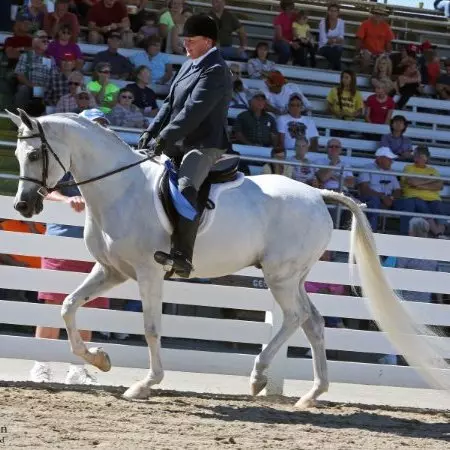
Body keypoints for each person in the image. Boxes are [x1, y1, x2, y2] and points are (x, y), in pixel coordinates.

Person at [137, 14, 232, 278]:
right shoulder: (189, 64)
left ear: (208, 41)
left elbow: (193, 111)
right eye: (185, 39)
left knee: (185, 186)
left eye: (191, 40)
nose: (186, 44)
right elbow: (169, 104)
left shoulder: (216, 70)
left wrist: (164, 138)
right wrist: (151, 131)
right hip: (179, 140)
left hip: (204, 144)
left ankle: (182, 255)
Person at [30, 110, 110, 385]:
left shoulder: (109, 165)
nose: (98, 131)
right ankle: (42, 365)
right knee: (53, 302)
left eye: (101, 127)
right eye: (93, 125)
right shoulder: (61, 160)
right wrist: (66, 200)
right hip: (61, 238)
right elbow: (42, 189)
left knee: (89, 305)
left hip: (97, 242)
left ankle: (78, 368)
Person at [398, 145, 445, 237]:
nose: (417, 158)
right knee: (422, 206)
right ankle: (438, 233)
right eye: (416, 156)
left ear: (426, 158)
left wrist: (420, 184)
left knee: (439, 208)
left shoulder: (433, 170)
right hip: (415, 197)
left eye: (421, 156)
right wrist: (430, 180)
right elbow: (412, 182)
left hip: (433, 198)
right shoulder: (408, 168)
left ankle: (440, 235)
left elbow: (440, 185)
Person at [357, 146, 402, 231]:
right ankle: (371, 232)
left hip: (389, 199)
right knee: (374, 201)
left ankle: (407, 234)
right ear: (380, 159)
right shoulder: (367, 168)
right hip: (371, 199)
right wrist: (382, 197)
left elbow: (398, 190)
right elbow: (364, 189)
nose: (391, 162)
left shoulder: (391, 171)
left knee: (406, 204)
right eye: (389, 159)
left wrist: (391, 198)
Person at [14, 30, 53, 109]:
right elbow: (20, 75)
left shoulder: (51, 59)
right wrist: (32, 86)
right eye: (42, 38)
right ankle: (18, 116)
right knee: (23, 89)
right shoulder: (26, 56)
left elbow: (54, 78)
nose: (46, 40)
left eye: (47, 38)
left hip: (45, 90)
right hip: (29, 87)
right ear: (34, 41)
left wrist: (46, 88)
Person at [356, 5, 394, 74]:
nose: (378, 15)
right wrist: (359, 51)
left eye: (380, 14)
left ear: (383, 16)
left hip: (380, 53)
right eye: (376, 13)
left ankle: (385, 80)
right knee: (366, 57)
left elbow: (388, 43)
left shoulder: (386, 27)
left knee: (388, 61)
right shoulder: (365, 24)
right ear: (373, 14)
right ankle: (364, 76)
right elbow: (359, 40)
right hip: (366, 51)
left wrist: (387, 54)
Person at [318, 2, 344, 71]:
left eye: (335, 11)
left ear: (338, 13)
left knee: (338, 49)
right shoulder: (323, 22)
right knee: (336, 53)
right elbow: (324, 41)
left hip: (336, 47)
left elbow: (341, 38)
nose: (333, 13)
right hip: (324, 47)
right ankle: (338, 70)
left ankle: (331, 68)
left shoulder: (341, 22)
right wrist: (335, 39)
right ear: (328, 12)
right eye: (331, 11)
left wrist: (331, 39)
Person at [273, 0, 295, 64]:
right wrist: (291, 43)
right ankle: (280, 68)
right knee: (286, 49)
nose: (292, 10)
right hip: (279, 42)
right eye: (290, 8)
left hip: (293, 41)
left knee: (302, 48)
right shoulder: (279, 18)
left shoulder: (295, 17)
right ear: (284, 8)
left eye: (292, 7)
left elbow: (304, 26)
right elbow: (279, 37)